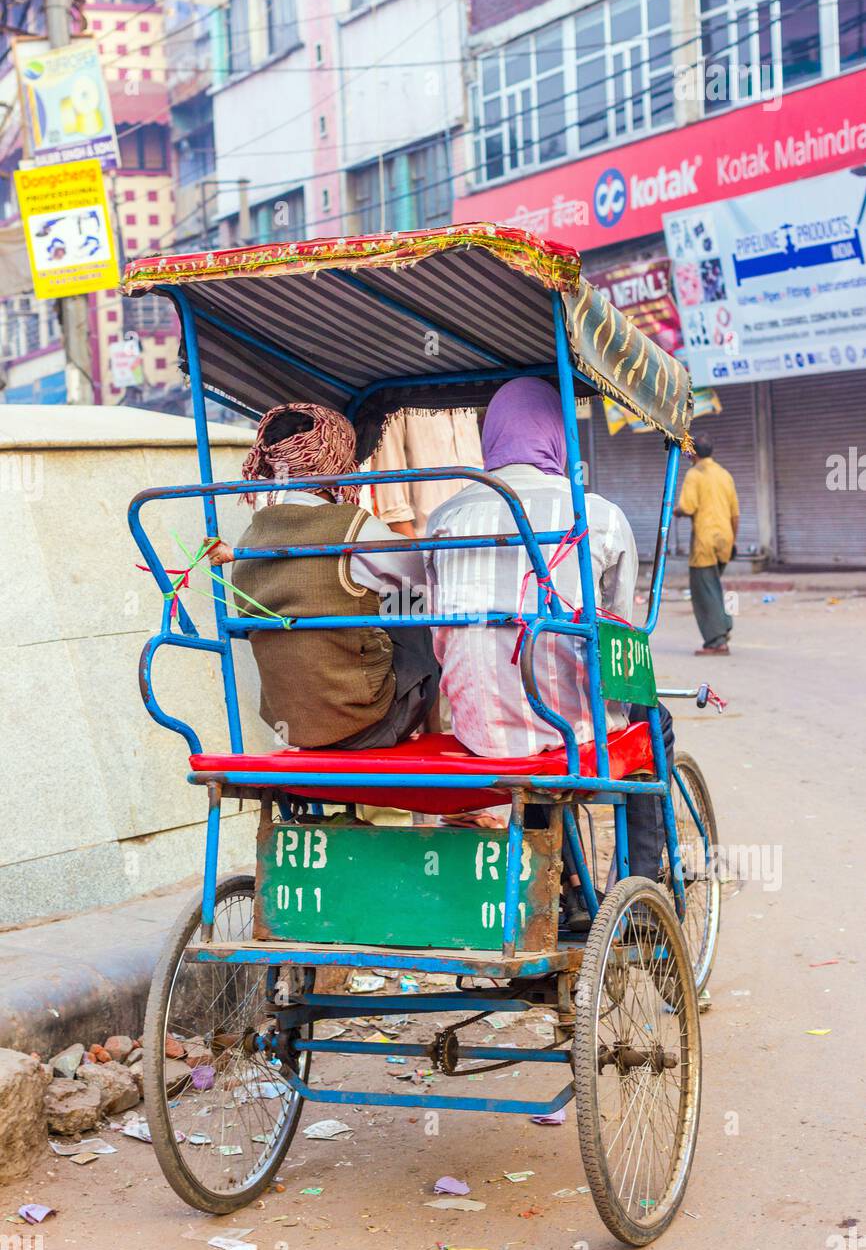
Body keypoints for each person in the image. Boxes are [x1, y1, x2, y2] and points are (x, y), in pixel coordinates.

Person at [425, 376, 674, 883]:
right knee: (654, 722)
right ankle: (644, 881)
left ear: (490, 436)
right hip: (572, 729)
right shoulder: (597, 513)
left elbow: (438, 628)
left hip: (479, 730)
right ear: (559, 436)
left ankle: (559, 884)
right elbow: (622, 632)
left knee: (516, 705)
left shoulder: (443, 517)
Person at [207, 402, 439, 750]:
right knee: (416, 604)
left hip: (294, 728)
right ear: (335, 459)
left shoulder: (249, 538)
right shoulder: (353, 528)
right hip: (370, 722)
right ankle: (447, 728)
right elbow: (421, 577)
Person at [370, 407, 482, 537]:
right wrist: (417, 553)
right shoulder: (397, 405)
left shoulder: (467, 402)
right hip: (430, 542)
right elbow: (393, 506)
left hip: (480, 531)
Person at [675, 433, 739, 655]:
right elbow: (735, 514)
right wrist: (733, 541)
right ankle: (724, 624)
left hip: (704, 540)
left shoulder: (695, 474)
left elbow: (688, 506)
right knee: (712, 585)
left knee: (703, 590)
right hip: (725, 538)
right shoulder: (724, 474)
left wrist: (676, 510)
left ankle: (716, 641)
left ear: (693, 453)